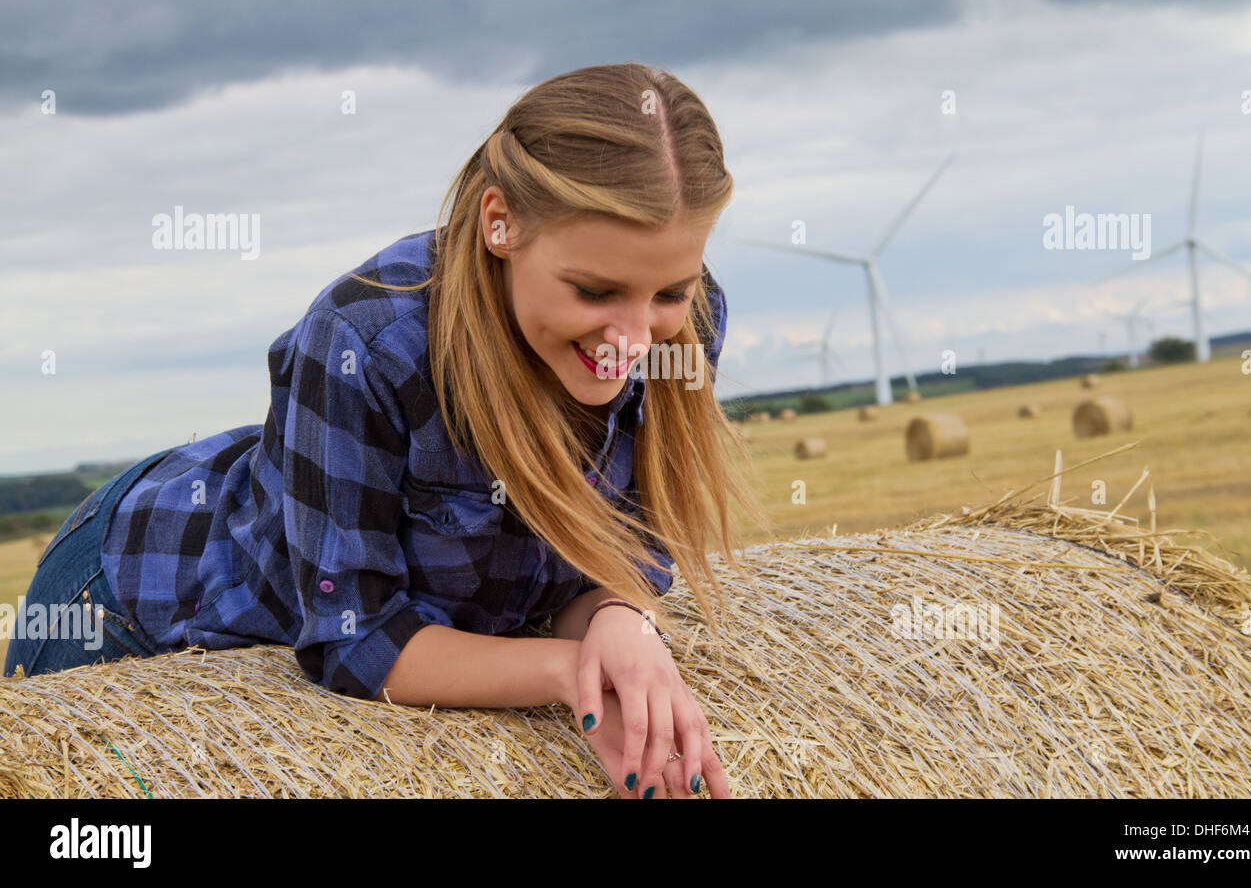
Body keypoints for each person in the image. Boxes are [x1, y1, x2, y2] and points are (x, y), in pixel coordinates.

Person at [5, 61, 771, 799]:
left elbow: (621, 545)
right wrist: (573, 674)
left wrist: (620, 622)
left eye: (669, 291)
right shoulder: (364, 339)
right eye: (595, 290)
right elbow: (355, 637)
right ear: (499, 223)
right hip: (139, 599)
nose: (634, 337)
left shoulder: (685, 330)